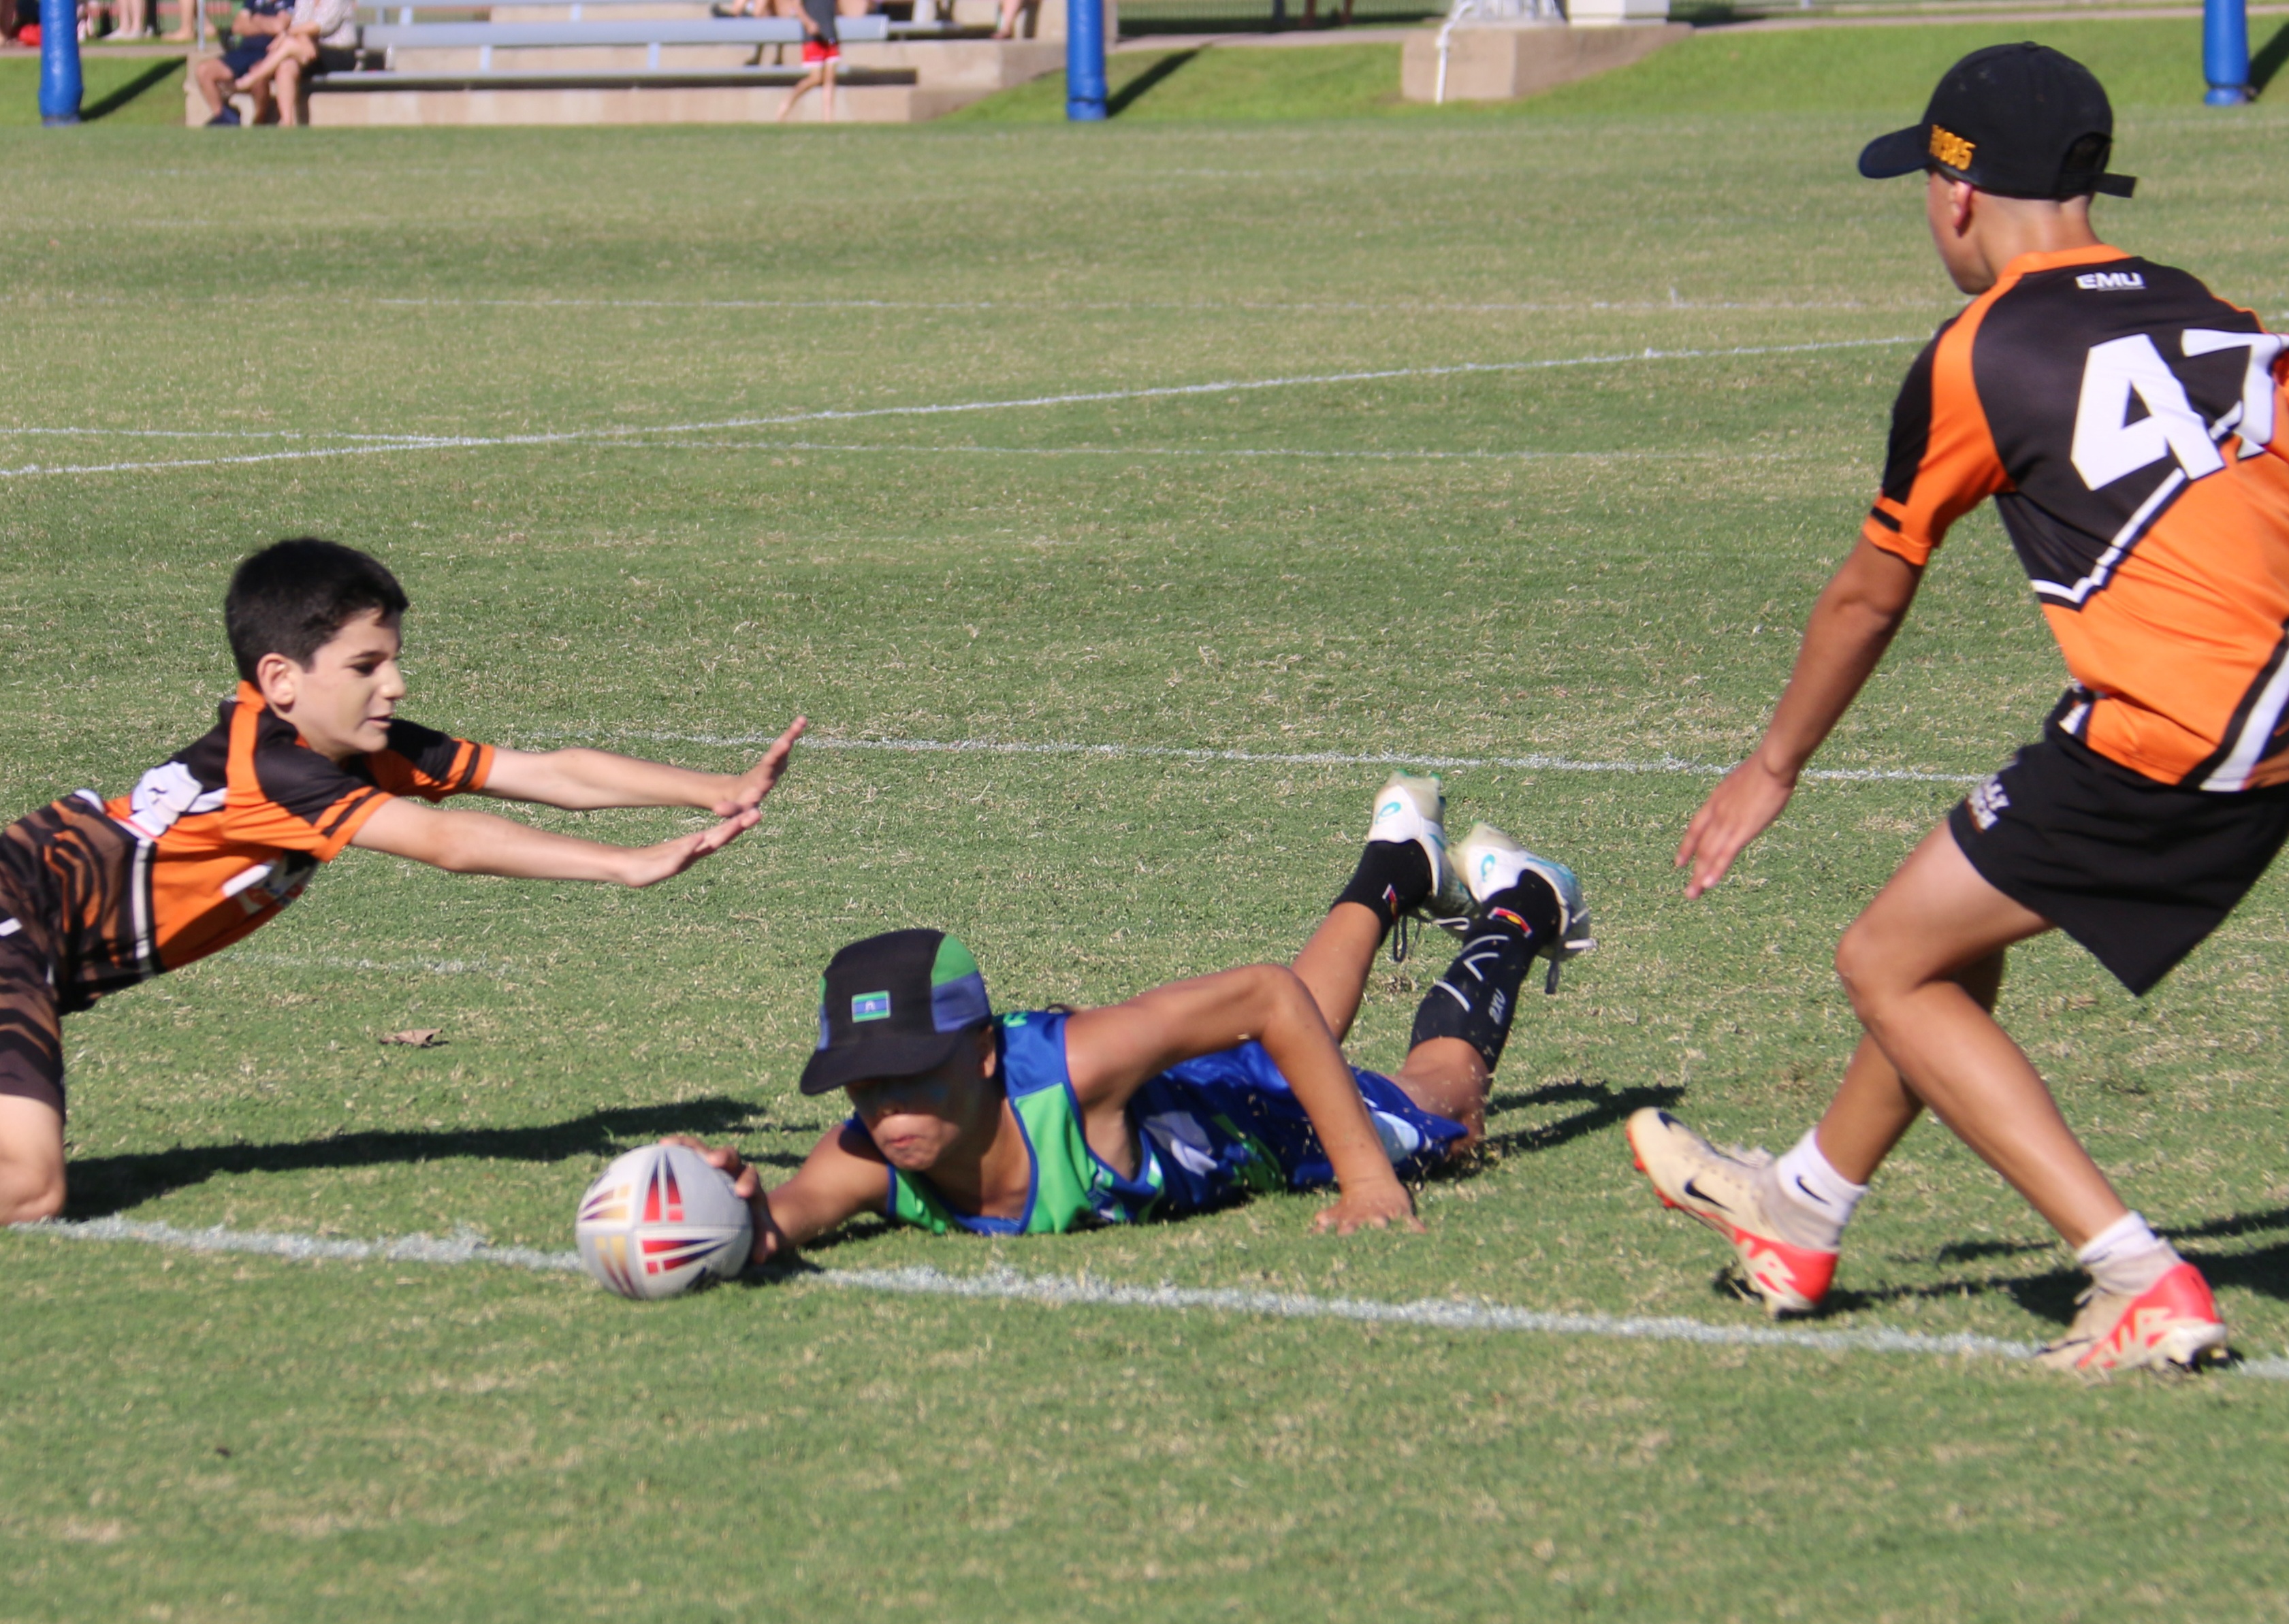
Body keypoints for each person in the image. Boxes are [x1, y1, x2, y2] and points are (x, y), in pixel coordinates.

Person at [1629, 44, 2289, 1375]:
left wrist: (1772, 765)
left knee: (1882, 959)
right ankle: (1799, 1212)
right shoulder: (2209, 306)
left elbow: (1870, 594)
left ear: (1956, 194)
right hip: (2264, 710)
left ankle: (2139, 1275)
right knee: (1937, 924)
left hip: (2182, 728)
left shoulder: (1977, 354)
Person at [0, 539, 806, 1226]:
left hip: (24, 927)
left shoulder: (342, 745)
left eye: (393, 660)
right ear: (281, 678)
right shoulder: (273, 769)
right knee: (32, 1188)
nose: (395, 685)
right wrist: (622, 862)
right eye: (366, 665)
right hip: (13, 918)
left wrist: (714, 788)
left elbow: (545, 771)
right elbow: (448, 840)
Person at [676, 773, 1595, 1256]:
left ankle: (1522, 901)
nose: (888, 1109)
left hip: (1234, 1116)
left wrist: (1365, 1179)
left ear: (986, 1055)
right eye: (865, 1085)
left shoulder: (1073, 1067)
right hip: (1195, 1088)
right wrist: (707, 1202)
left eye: (914, 1073)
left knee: (1452, 1106)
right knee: (1307, 1023)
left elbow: (1265, 997)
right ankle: (1398, 858)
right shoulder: (870, 1156)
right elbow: (769, 1229)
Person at [235, 0, 356, 127]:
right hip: (309, 49)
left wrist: (287, 34)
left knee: (289, 43)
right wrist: (303, 40)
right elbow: (298, 23)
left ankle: (250, 79)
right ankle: (287, 121)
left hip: (339, 54)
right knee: (286, 66)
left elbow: (319, 26)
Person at [193, 0, 292, 125]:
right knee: (204, 70)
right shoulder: (253, 2)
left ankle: (259, 120)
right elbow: (238, 26)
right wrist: (268, 25)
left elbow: (279, 26)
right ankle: (224, 117)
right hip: (244, 52)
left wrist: (255, 19)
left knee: (258, 76)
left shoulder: (288, 2)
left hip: (269, 53)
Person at [773, 0, 837, 124]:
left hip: (830, 33)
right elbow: (796, 5)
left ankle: (828, 120)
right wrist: (808, 23)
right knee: (816, 78)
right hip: (812, 37)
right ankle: (788, 101)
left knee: (830, 78)